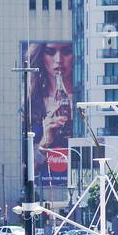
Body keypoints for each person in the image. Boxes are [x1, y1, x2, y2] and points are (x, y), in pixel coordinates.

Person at [25, 41, 74, 187]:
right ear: (41, 56)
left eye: (66, 52)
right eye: (50, 52)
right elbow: (24, 172)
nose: (58, 60)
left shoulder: (87, 100)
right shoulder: (30, 103)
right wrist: (45, 142)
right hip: (43, 186)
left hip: (79, 183)